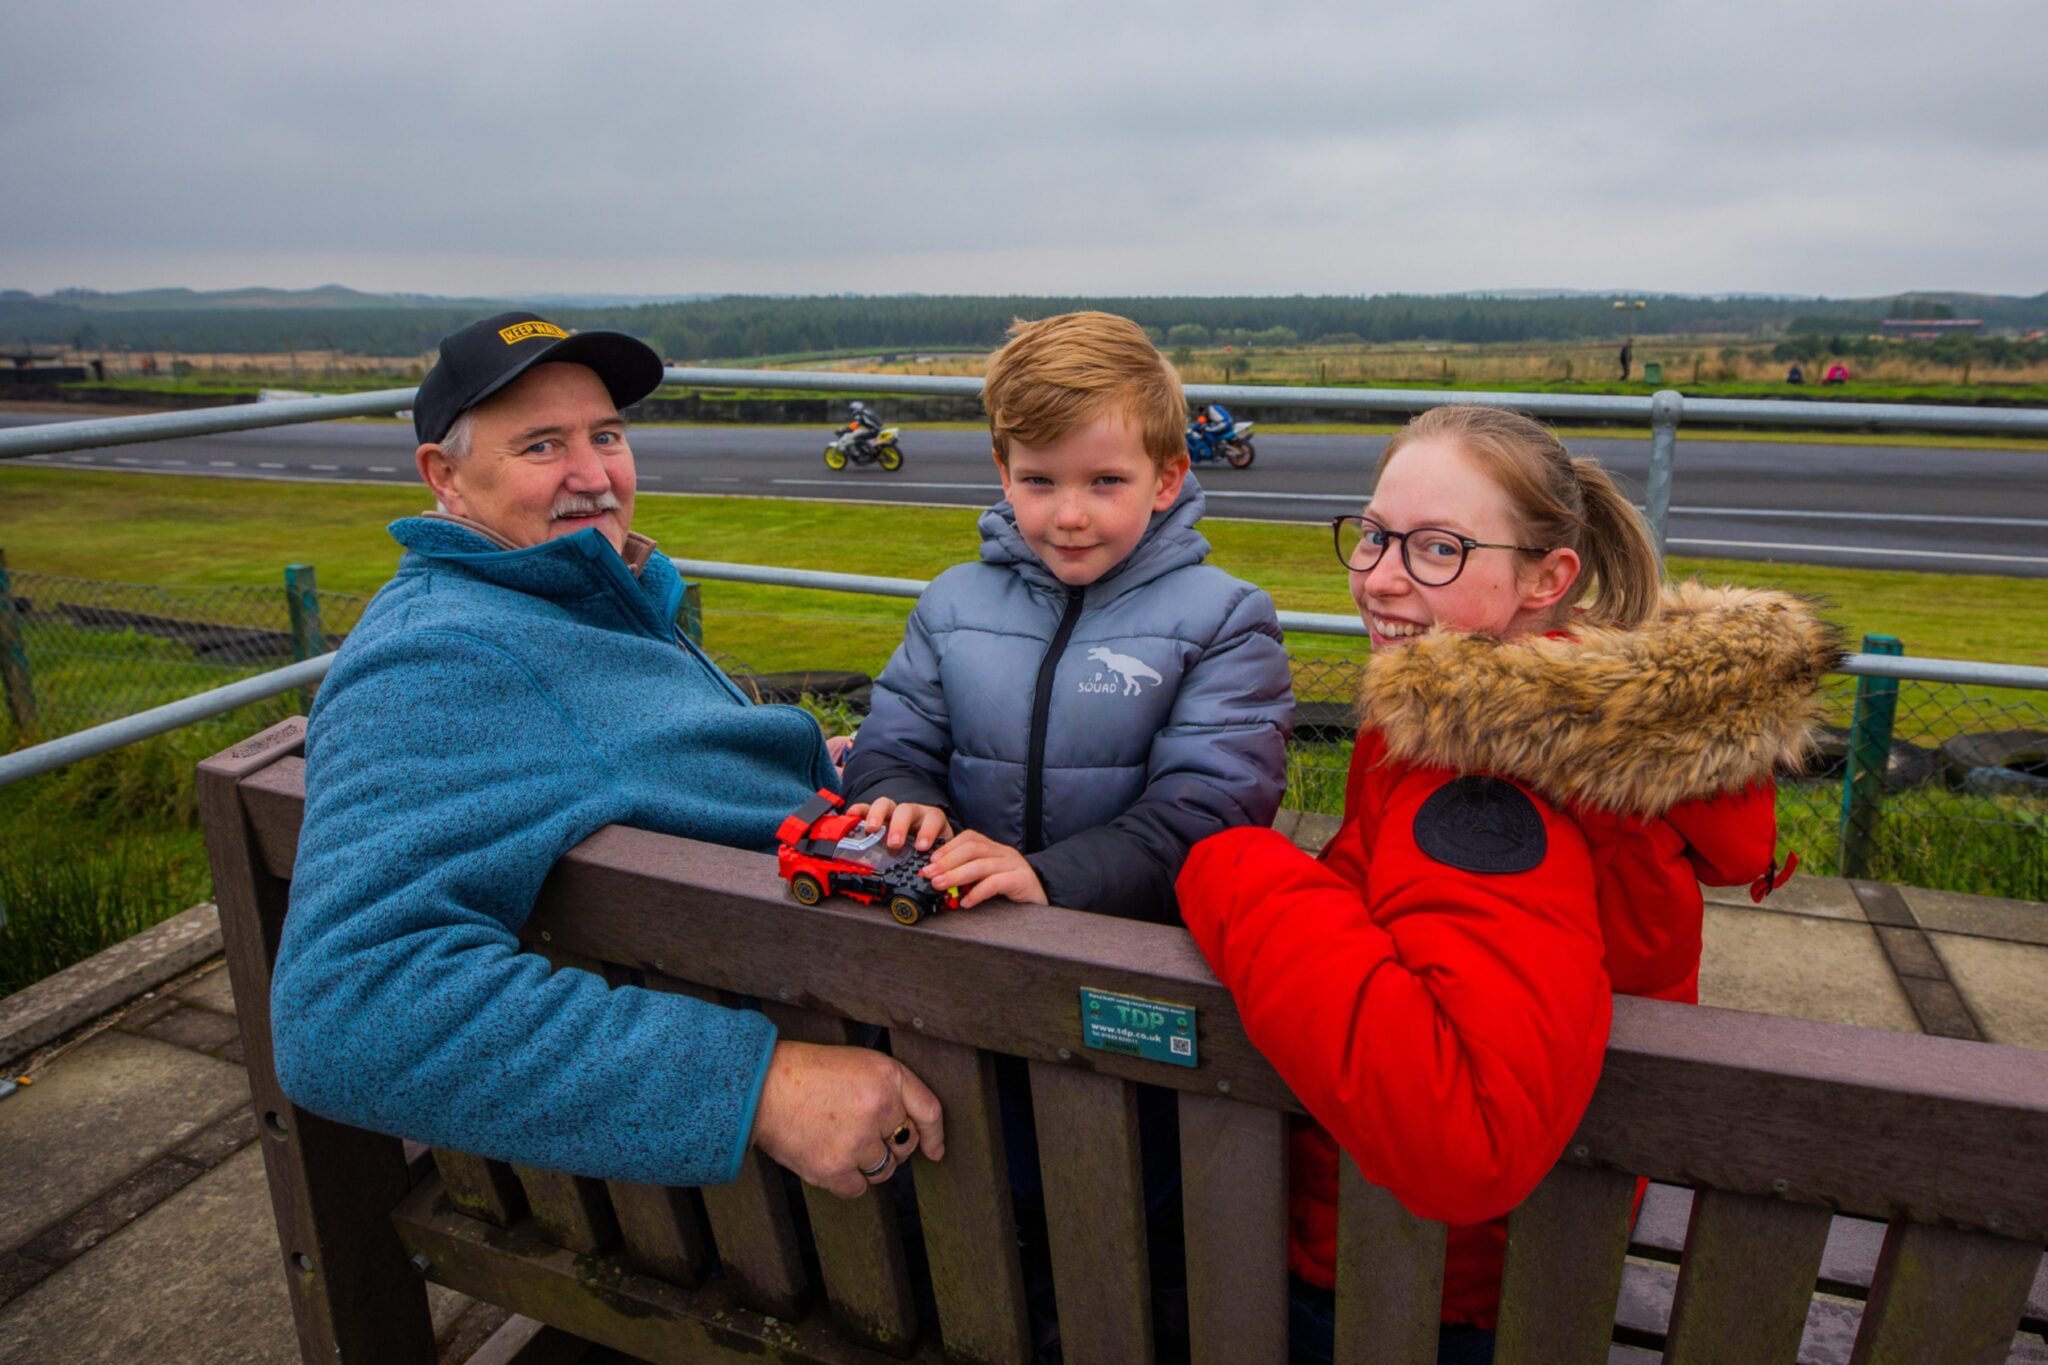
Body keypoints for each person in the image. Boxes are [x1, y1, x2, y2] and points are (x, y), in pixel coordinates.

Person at [1174, 405, 1839, 1363]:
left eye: (1438, 548)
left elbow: (1466, 1134)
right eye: (1374, 534)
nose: (1380, 575)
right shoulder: (1573, 729)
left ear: (1548, 578)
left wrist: (1234, 863)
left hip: (1418, 1282)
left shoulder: (1485, 764)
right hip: (1535, 1251)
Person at [270, 312, 944, 1200]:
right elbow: (348, 1012)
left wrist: (806, 767)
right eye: (542, 445)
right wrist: (759, 1087)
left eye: (607, 436)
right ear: (445, 477)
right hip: (869, 1098)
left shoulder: (557, 597)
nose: (594, 476)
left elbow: (616, 758)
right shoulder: (438, 662)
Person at [840, 310, 1294, 923]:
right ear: (1004, 476)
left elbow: (1209, 812)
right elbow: (893, 744)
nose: (1070, 516)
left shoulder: (1225, 620)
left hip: (1129, 945)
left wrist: (1048, 877)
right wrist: (901, 799)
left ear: (1166, 479)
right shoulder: (951, 604)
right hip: (958, 919)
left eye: (1105, 480)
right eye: (1040, 480)